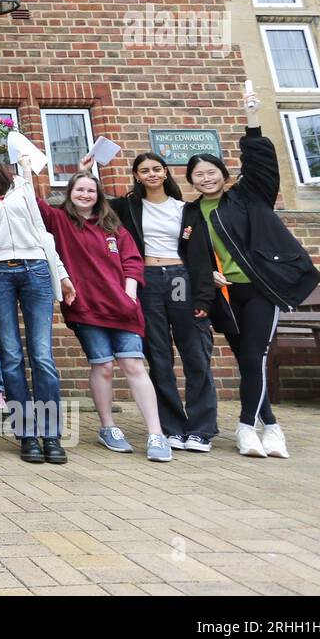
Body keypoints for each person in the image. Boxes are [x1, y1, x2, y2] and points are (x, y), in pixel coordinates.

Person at [181, 86, 320, 459]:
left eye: (211, 172)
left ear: (223, 174)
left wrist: (252, 119)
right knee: (247, 360)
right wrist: (208, 274)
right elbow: (190, 255)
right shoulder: (191, 214)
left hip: (259, 289)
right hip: (226, 297)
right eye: (198, 175)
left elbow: (261, 163)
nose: (205, 179)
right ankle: (272, 427)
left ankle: (246, 428)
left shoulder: (247, 196)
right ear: (191, 181)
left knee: (255, 356)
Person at [35, 170, 171, 461]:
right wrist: (25, 166)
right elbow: (36, 205)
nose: (85, 195)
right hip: (87, 308)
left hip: (123, 308)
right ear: (69, 193)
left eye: (91, 191)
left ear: (98, 196)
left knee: (134, 365)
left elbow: (132, 260)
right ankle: (108, 427)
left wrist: (130, 293)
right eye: (79, 190)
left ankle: (156, 433)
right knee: (104, 367)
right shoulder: (60, 222)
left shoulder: (113, 227)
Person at [0, 135, 74, 464]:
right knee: (9, 357)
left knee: (42, 356)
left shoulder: (21, 184)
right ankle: (26, 435)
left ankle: (51, 435)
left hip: (35, 268)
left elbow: (42, 233)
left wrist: (61, 274)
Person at [101, 150, 219, 452]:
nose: (151, 174)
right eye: (144, 170)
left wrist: (204, 297)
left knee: (193, 350)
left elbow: (203, 257)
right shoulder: (129, 207)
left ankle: (201, 429)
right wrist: (89, 171)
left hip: (179, 278)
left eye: (156, 169)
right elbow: (94, 205)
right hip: (148, 280)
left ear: (165, 172)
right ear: (136, 176)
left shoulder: (186, 209)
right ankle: (172, 427)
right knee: (159, 354)